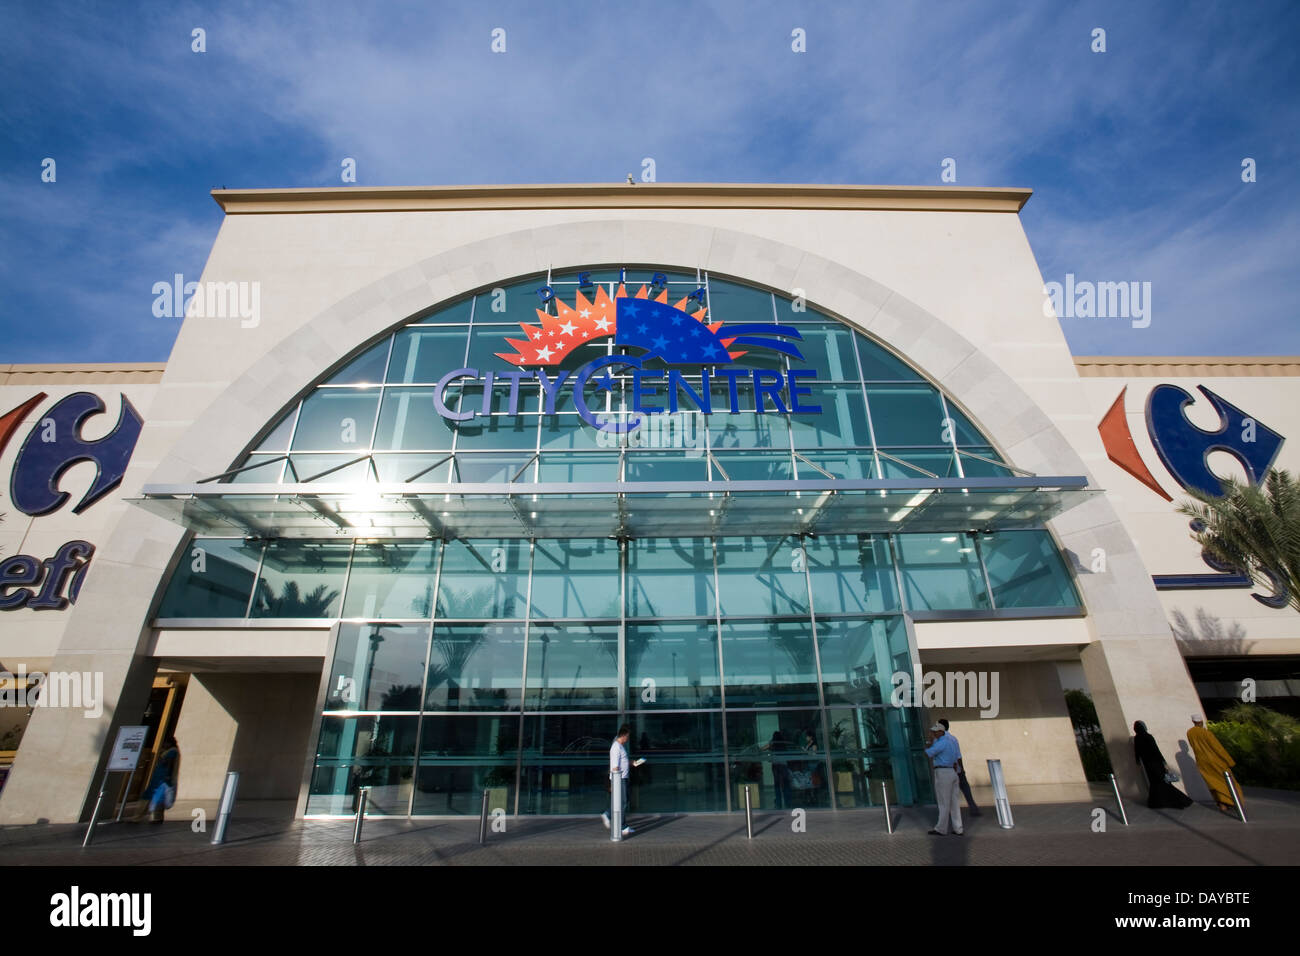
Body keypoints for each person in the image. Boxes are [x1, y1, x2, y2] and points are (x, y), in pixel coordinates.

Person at [1187, 714, 1243, 814]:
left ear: (1193, 722)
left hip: (1202, 761)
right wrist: (1229, 761)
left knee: (1212, 783)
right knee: (1225, 782)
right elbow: (1218, 749)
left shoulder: (1190, 733)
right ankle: (1231, 801)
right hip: (1215, 761)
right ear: (1201, 721)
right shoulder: (1206, 733)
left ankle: (1222, 804)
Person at [1132, 721, 1192, 809]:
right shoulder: (1148, 737)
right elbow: (1156, 750)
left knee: (1155, 783)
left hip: (1147, 765)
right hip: (1156, 763)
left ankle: (1157, 803)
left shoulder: (1137, 738)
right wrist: (1164, 762)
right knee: (1164, 782)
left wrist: (1137, 760)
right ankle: (1179, 801)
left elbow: (1137, 751)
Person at [924, 722, 963, 835]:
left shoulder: (941, 743)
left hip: (943, 772)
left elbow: (928, 753)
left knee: (943, 802)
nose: (933, 733)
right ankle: (958, 828)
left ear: (941, 731)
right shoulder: (952, 740)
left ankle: (941, 828)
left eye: (935, 732)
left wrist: (929, 741)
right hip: (952, 771)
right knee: (954, 802)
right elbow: (958, 756)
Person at [938, 718, 980, 816]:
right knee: (965, 788)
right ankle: (973, 808)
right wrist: (961, 769)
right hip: (956, 768)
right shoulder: (953, 739)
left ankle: (948, 813)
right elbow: (958, 756)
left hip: (946, 770)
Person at [601, 724, 634, 837]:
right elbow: (615, 766)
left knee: (623, 801)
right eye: (628, 736)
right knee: (622, 802)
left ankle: (610, 816)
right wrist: (613, 782)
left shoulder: (620, 746)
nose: (628, 738)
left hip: (623, 778)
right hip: (619, 779)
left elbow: (623, 762)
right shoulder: (616, 747)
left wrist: (632, 763)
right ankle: (622, 826)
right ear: (624, 735)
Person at [144, 736, 180, 823]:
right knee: (160, 798)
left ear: (169, 743)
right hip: (163, 778)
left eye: (165, 743)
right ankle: (158, 817)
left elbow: (169, 764)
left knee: (158, 798)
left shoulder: (172, 752)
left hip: (164, 779)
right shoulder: (172, 751)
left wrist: (167, 776)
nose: (164, 745)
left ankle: (156, 817)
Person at [762, 730, 793, 809]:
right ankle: (788, 803)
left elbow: (763, 748)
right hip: (783, 765)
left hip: (776, 765)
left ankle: (778, 804)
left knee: (777, 784)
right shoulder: (783, 742)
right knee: (785, 784)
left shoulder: (772, 742)